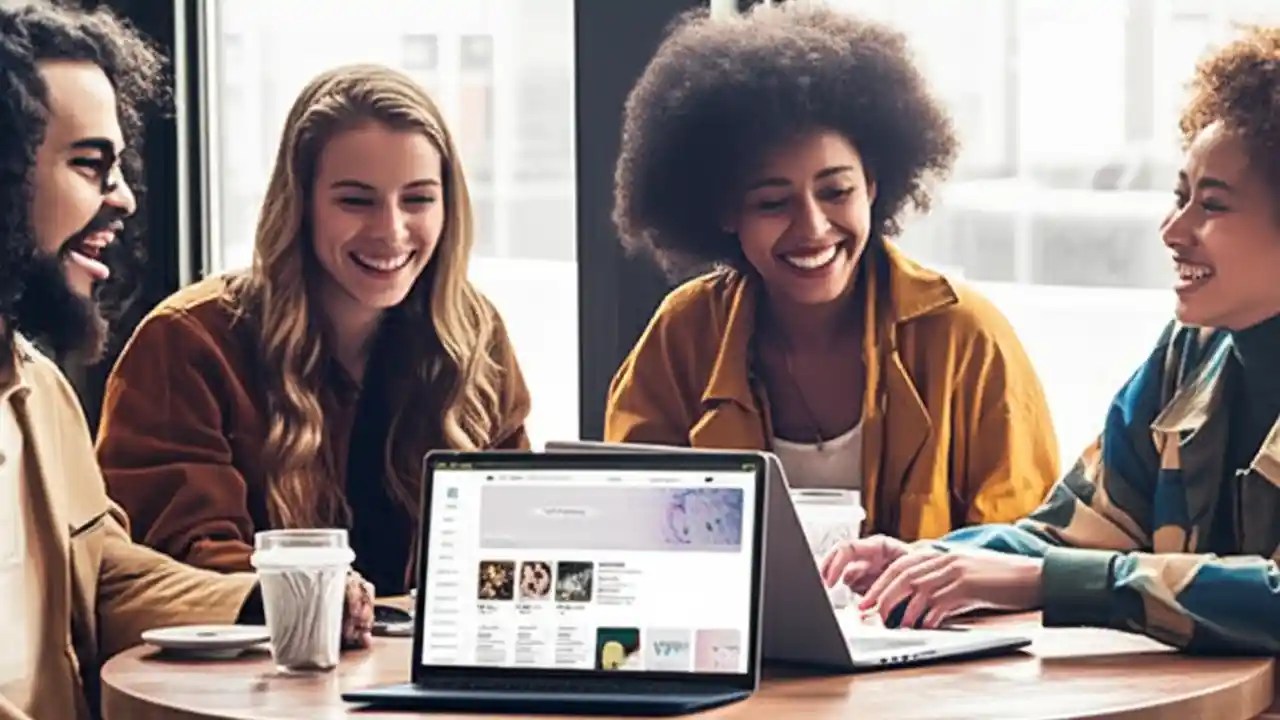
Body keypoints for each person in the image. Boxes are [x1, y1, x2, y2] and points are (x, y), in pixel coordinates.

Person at [821, 26, 1280, 654]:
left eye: (1213, 205)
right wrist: (934, 560)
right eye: (1180, 197)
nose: (1173, 230)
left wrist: (1045, 582)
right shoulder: (1187, 356)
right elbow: (1074, 529)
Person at [0, 4, 372, 718]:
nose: (125, 198)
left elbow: (101, 573)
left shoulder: (39, 392)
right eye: (89, 166)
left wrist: (260, 599)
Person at [604, 3, 1059, 539]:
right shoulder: (684, 336)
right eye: (773, 202)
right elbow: (631, 529)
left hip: (923, 625)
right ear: (726, 212)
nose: (813, 227)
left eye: (836, 191)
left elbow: (1023, 549)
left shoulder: (965, 337)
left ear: (872, 186)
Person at [95, 63, 532, 596]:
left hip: (417, 673)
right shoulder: (188, 342)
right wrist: (319, 598)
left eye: (417, 199)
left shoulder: (472, 334)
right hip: (252, 674)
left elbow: (511, 542)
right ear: (300, 205)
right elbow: (184, 564)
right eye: (355, 200)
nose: (391, 231)